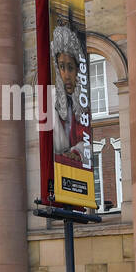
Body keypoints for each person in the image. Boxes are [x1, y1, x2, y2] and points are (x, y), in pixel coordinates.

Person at [51, 22, 89, 165]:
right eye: (62, 67)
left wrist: (77, 152)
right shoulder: (51, 102)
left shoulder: (83, 105)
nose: (66, 75)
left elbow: (86, 140)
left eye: (70, 68)